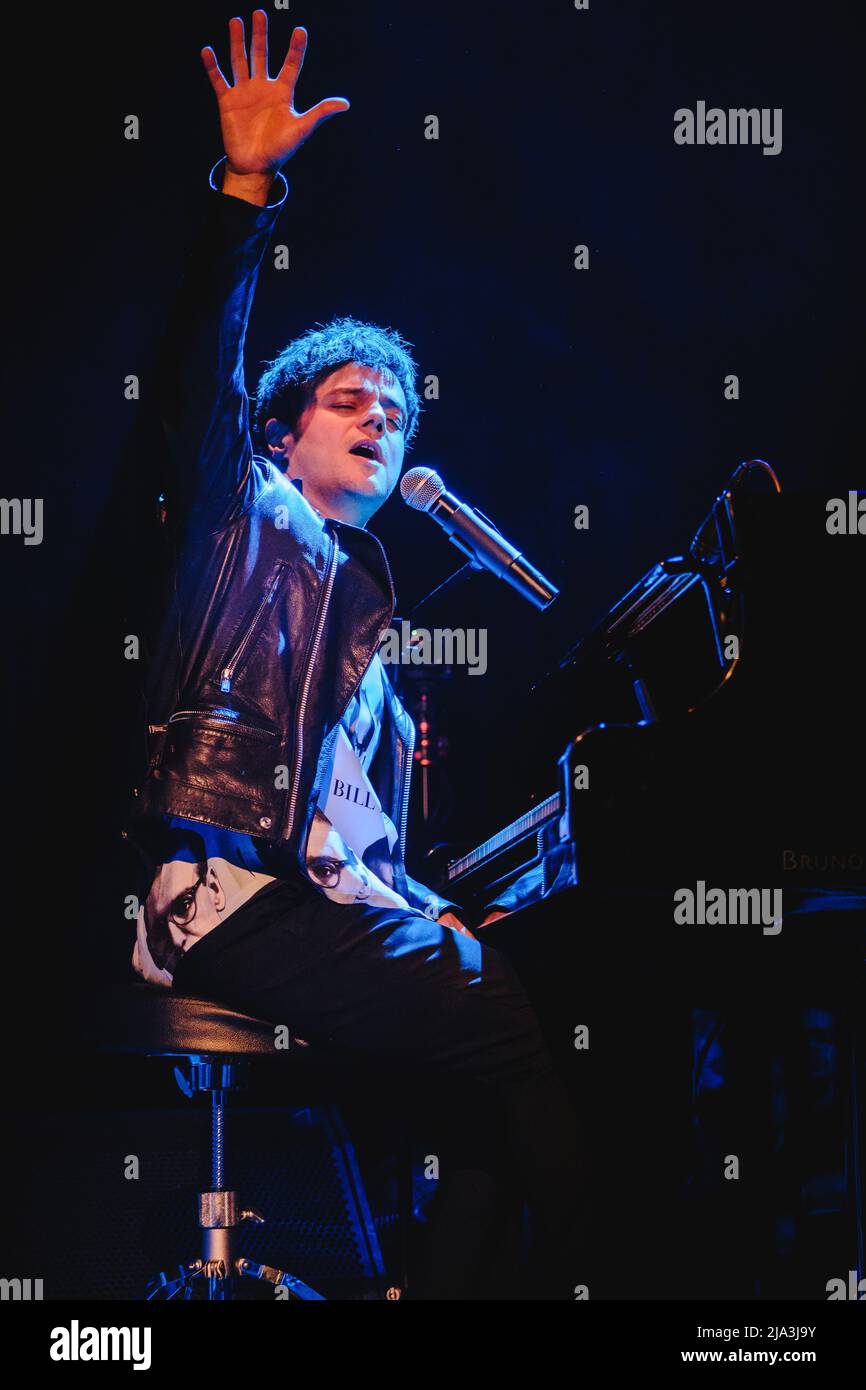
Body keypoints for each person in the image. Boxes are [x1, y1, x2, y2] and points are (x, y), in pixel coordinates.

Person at [126, 10, 587, 1298]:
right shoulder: (245, 513)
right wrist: (245, 190)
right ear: (281, 438)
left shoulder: (369, 618)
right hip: (223, 896)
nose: (379, 416)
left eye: (396, 409)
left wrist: (437, 903)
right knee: (494, 1011)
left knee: (497, 1066)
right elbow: (192, 378)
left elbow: (357, 843)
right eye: (348, 400)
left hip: (312, 906)